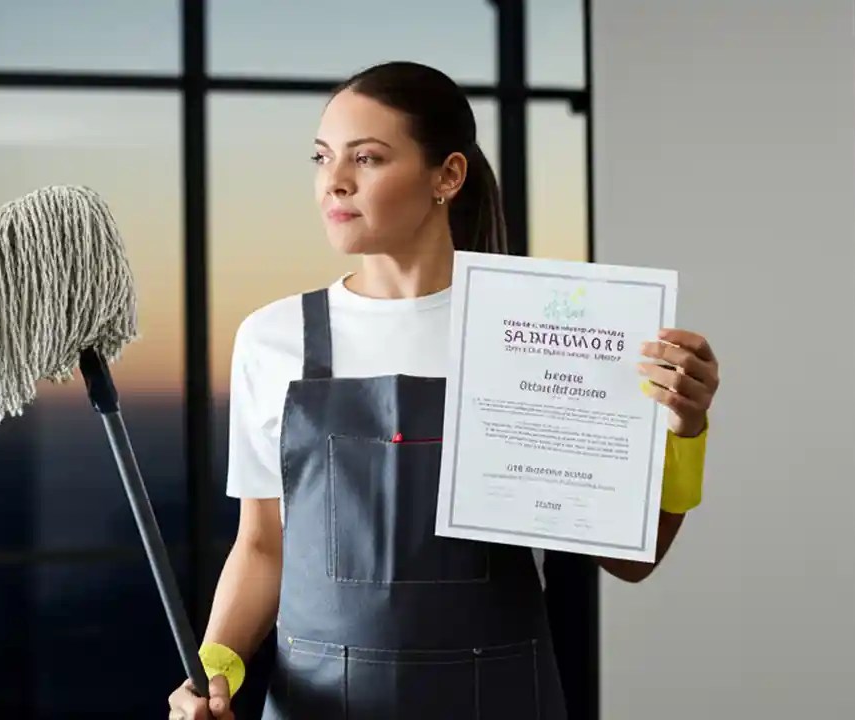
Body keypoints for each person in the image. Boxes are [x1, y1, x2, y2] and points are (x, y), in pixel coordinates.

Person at [168, 60, 719, 720]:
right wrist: (216, 667)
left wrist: (685, 434)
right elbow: (262, 546)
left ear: (447, 175)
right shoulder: (272, 339)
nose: (333, 183)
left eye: (366, 158)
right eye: (321, 158)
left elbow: (631, 562)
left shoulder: (534, 336)